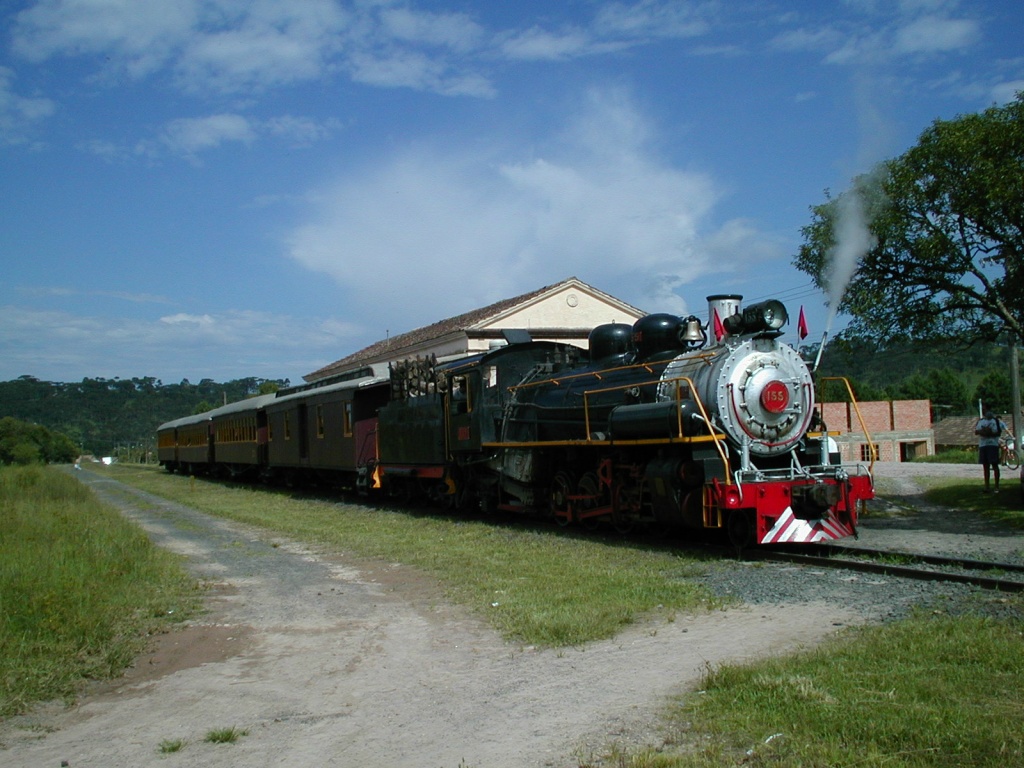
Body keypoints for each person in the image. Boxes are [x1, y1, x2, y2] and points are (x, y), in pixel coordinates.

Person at [974, 409, 1007, 493]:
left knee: (995, 465)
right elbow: (976, 431)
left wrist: (988, 432)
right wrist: (984, 431)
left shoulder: (995, 421)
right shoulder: (981, 421)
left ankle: (996, 486)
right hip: (983, 445)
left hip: (992, 445)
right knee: (985, 466)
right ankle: (987, 487)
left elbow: (998, 433)